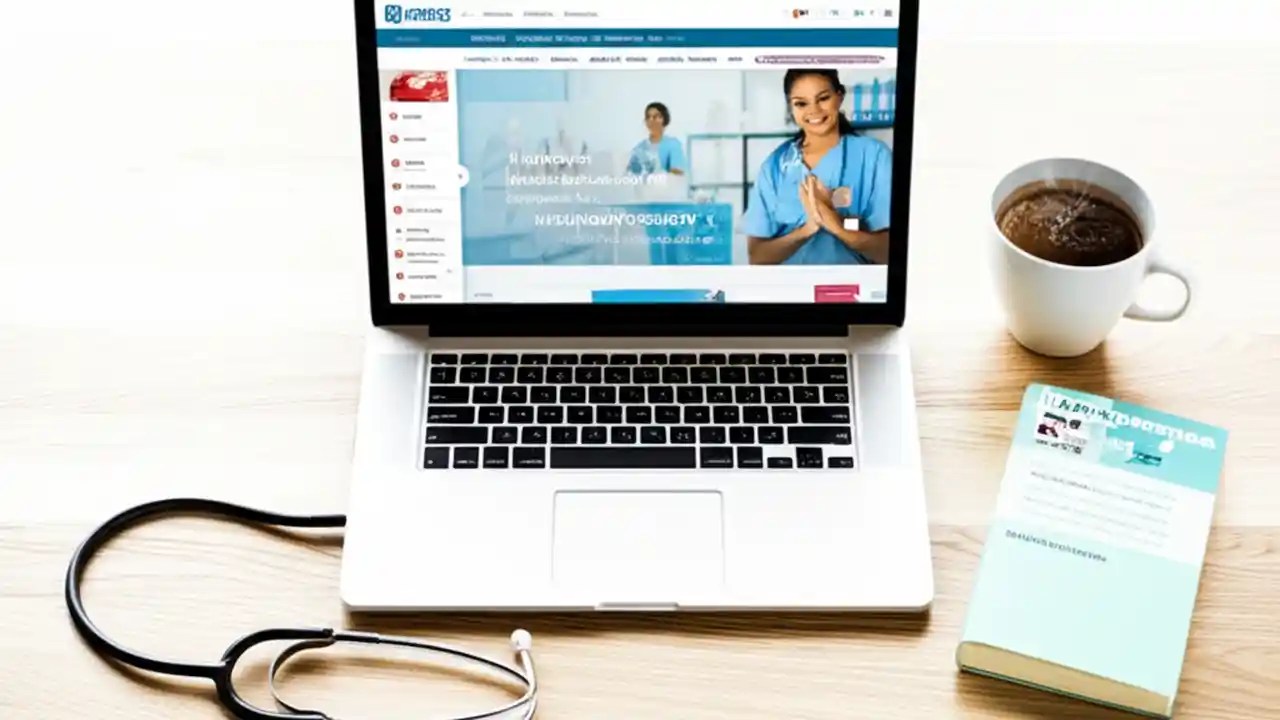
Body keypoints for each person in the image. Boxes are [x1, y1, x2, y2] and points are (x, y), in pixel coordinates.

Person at [744, 69, 893, 265]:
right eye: (801, 103)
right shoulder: (774, 166)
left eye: (823, 98)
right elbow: (758, 257)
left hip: (850, 290)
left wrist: (838, 228)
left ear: (839, 98)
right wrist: (807, 229)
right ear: (791, 108)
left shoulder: (874, 157)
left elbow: (889, 252)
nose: (813, 110)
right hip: (788, 291)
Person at [626, 102, 686, 176]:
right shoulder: (639, 148)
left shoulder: (673, 144)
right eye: (648, 117)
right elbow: (630, 174)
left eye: (655, 117)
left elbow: (677, 174)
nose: (651, 120)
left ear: (665, 120)